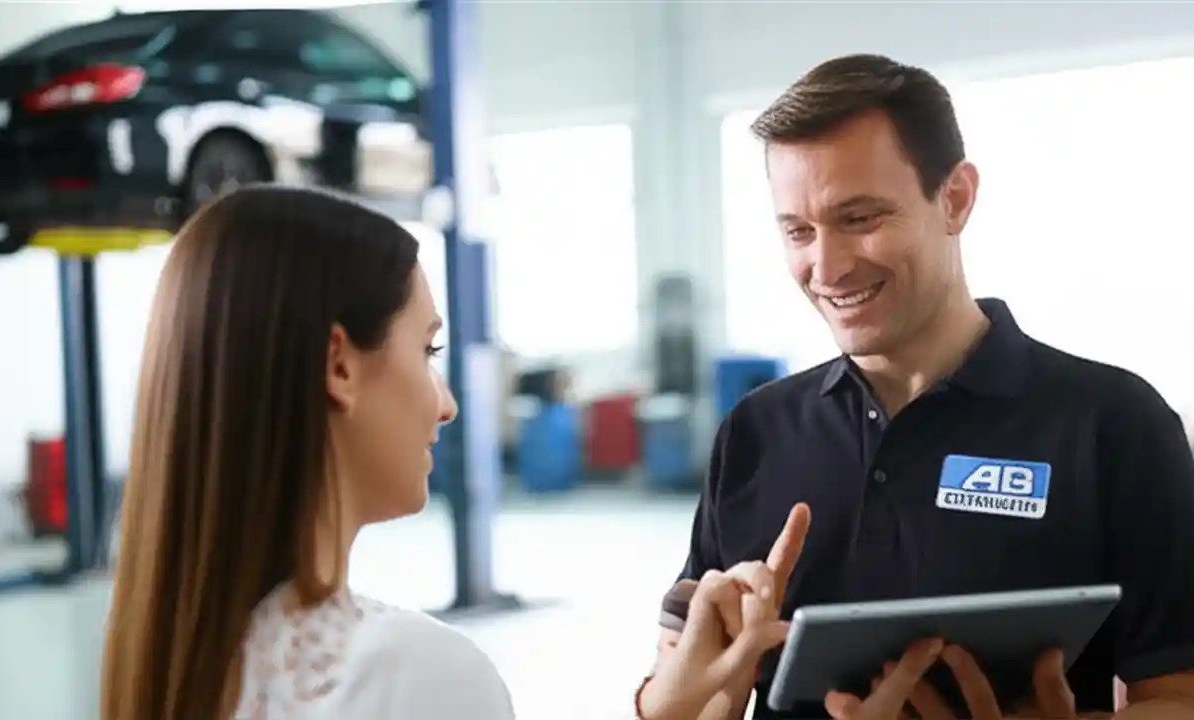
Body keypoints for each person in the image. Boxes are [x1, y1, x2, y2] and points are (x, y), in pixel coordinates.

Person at [639, 54, 1194, 720]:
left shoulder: (1114, 426)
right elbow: (676, 690)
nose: (827, 266)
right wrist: (682, 693)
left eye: (860, 218)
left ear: (954, 198)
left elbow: (1187, 698)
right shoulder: (757, 432)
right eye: (799, 231)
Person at [98, 184, 792, 720]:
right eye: (427, 351)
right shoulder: (408, 672)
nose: (447, 402)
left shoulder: (169, 660)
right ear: (338, 365)